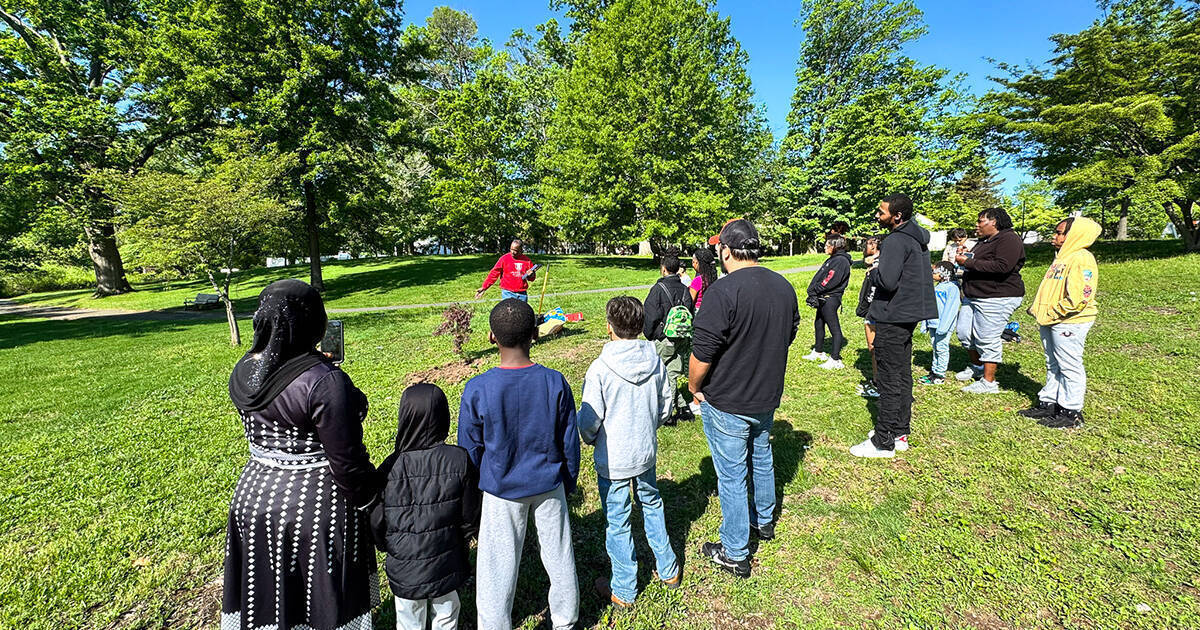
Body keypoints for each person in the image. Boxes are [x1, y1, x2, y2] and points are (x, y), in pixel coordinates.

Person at [224, 280, 378, 630]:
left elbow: (278, 382)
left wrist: (312, 363)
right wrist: (371, 499)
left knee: (271, 593)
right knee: (321, 599)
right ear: (313, 321)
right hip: (314, 506)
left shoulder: (243, 369)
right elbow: (347, 462)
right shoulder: (324, 382)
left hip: (253, 498)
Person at [458, 299, 580, 630]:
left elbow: (469, 448)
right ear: (535, 336)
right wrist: (567, 481)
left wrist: (476, 491)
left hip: (500, 488)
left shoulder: (477, 388)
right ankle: (566, 621)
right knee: (559, 554)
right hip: (548, 482)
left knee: (497, 566)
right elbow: (568, 439)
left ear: (491, 338)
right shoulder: (555, 382)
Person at [688, 218, 800, 578]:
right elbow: (789, 331)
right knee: (762, 456)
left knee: (732, 474)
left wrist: (693, 388)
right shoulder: (783, 286)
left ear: (725, 250)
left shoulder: (722, 291)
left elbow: (702, 353)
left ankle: (736, 552)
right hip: (765, 394)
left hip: (729, 400)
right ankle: (763, 521)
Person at [579, 296, 681, 607]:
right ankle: (668, 570)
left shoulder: (599, 369)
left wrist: (590, 437)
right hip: (645, 450)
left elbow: (589, 418)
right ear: (640, 326)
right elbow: (667, 402)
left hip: (615, 458)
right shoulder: (655, 361)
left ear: (608, 326)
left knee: (618, 519)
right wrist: (650, 426)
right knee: (652, 504)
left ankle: (623, 588)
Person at [372, 384, 480, 630]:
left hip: (404, 568)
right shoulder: (459, 459)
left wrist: (387, 545)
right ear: (443, 415)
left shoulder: (390, 466)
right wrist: (462, 539)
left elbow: (377, 519)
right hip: (447, 560)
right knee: (446, 615)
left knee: (409, 620)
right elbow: (470, 514)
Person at [851, 194, 937, 458]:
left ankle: (883, 440)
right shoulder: (916, 238)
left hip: (891, 316)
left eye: (881, 212)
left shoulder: (896, 240)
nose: (878, 216)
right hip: (907, 315)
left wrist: (874, 269)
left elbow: (887, 281)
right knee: (902, 374)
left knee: (889, 379)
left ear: (896, 216)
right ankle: (900, 431)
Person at [1020, 217, 1101, 429]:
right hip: (1051, 319)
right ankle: (1049, 402)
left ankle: (1071, 411)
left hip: (1069, 321)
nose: (1054, 237)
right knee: (1052, 362)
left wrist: (1053, 312)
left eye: (1060, 233)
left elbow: (1080, 297)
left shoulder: (1081, 258)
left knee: (1069, 365)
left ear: (1075, 235)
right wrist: (1040, 310)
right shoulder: (1062, 257)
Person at [954, 208, 1027, 394]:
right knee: (964, 333)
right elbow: (980, 261)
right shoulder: (984, 241)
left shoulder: (1009, 239)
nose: (976, 225)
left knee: (987, 337)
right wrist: (967, 255)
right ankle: (977, 367)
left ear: (993, 222)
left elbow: (1002, 266)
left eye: (980, 221)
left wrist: (968, 263)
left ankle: (989, 382)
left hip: (997, 296)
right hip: (974, 296)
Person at [643, 252, 695, 424]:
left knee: (664, 375)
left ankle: (668, 413)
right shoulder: (685, 289)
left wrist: (653, 335)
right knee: (671, 372)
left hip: (665, 338)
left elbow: (650, 316)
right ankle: (682, 406)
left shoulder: (657, 290)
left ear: (663, 269)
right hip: (682, 336)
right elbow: (689, 311)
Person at [802, 235, 853, 369]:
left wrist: (816, 290)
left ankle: (835, 359)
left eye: (827, 245)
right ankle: (818, 351)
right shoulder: (832, 259)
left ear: (835, 245)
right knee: (819, 324)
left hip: (830, 298)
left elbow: (830, 280)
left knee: (834, 329)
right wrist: (812, 291)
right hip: (822, 297)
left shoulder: (841, 261)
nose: (825, 247)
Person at [918, 261, 961, 385]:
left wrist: (944, 327)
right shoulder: (937, 287)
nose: (932, 274)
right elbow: (929, 305)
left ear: (943, 273)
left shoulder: (952, 288)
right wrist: (925, 323)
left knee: (941, 348)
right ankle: (934, 371)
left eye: (934, 272)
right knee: (935, 347)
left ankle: (939, 374)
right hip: (933, 323)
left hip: (943, 325)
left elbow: (951, 309)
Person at [856, 235, 883, 398]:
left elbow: (874, 290)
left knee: (875, 348)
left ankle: (879, 383)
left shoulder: (879, 265)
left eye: (867, 244)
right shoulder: (876, 262)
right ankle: (876, 380)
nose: (865, 247)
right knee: (874, 349)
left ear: (874, 246)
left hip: (876, 312)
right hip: (873, 310)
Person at [689, 247, 719, 311]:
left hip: (698, 311)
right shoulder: (713, 278)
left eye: (693, 262)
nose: (692, 264)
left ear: (697, 263)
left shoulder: (697, 281)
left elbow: (690, 301)